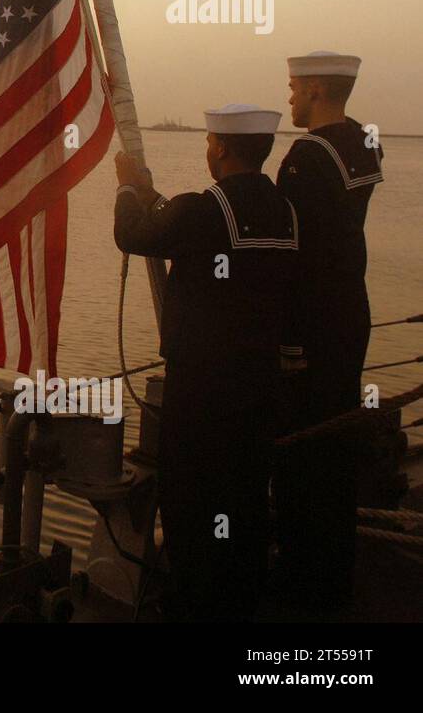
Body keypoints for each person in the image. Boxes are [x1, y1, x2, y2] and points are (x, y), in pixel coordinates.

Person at [114, 105, 297, 620]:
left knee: (192, 500)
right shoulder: (282, 208)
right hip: (260, 382)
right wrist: (154, 197)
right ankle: (239, 600)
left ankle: (193, 604)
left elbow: (134, 234)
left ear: (218, 146)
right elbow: (180, 222)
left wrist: (129, 188)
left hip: (203, 386)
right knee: (244, 499)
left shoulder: (205, 208)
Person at [273, 51, 382, 610]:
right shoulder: (365, 141)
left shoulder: (306, 157)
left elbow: (291, 252)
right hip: (349, 314)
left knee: (302, 456)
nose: (289, 97)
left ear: (316, 87)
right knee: (336, 448)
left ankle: (302, 582)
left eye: (294, 88)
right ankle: (334, 569)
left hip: (310, 324)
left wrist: (286, 342)